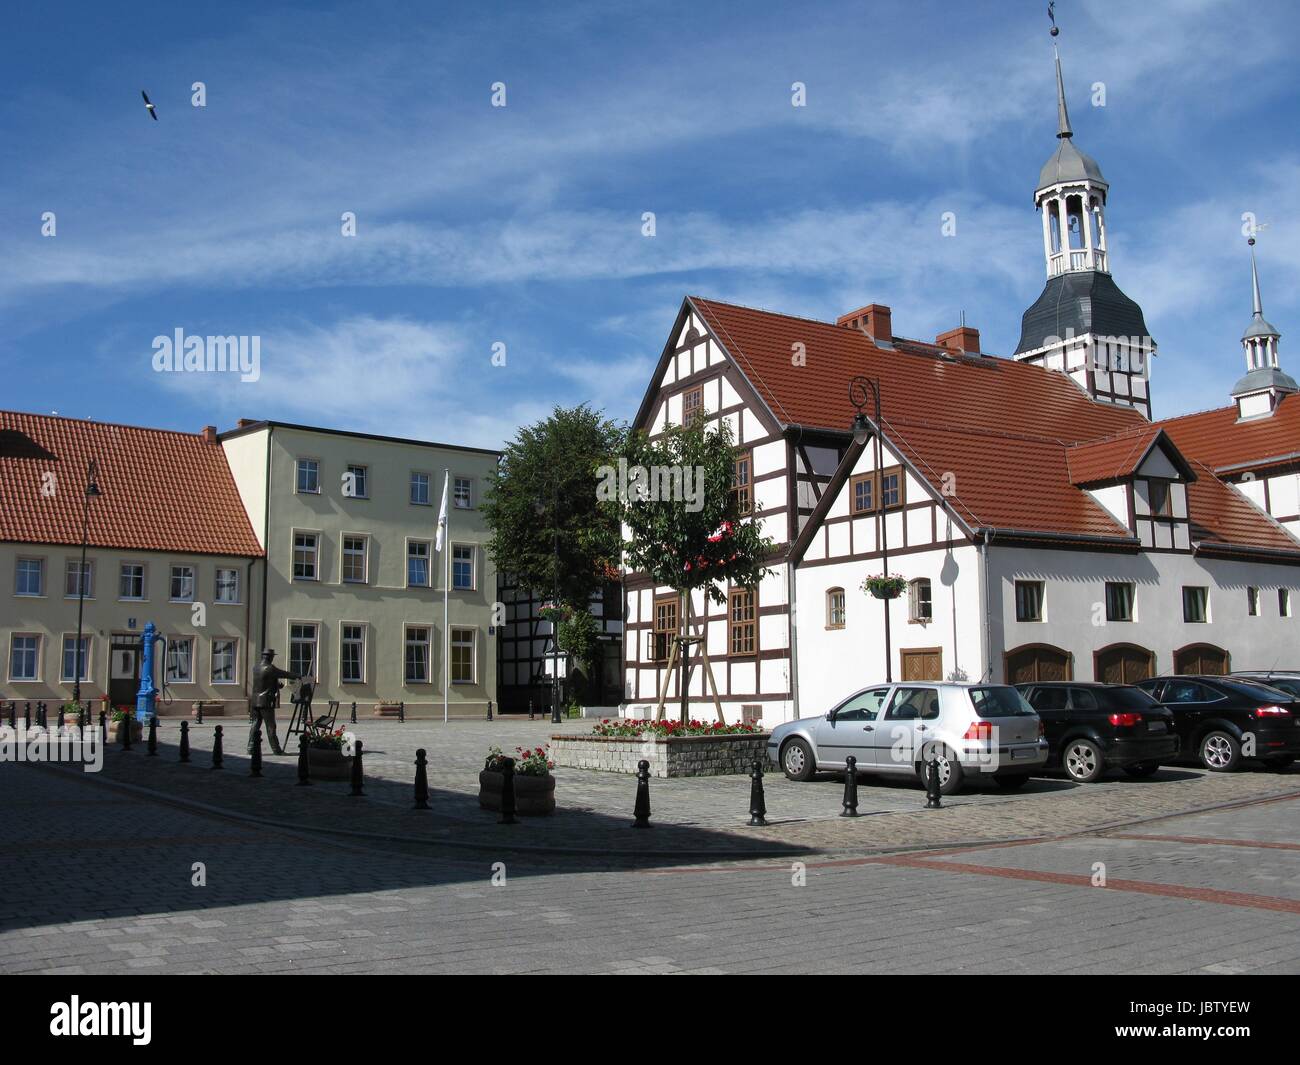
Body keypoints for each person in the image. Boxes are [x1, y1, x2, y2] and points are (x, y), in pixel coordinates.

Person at [249, 649, 301, 755]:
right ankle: (276, 749)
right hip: (265, 701)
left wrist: (276, 685)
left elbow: (263, 682)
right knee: (271, 726)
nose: (273, 658)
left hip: (254, 700)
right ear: (270, 657)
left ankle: (250, 748)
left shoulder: (256, 668)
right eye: (272, 656)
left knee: (255, 724)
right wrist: (297, 675)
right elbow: (285, 674)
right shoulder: (270, 668)